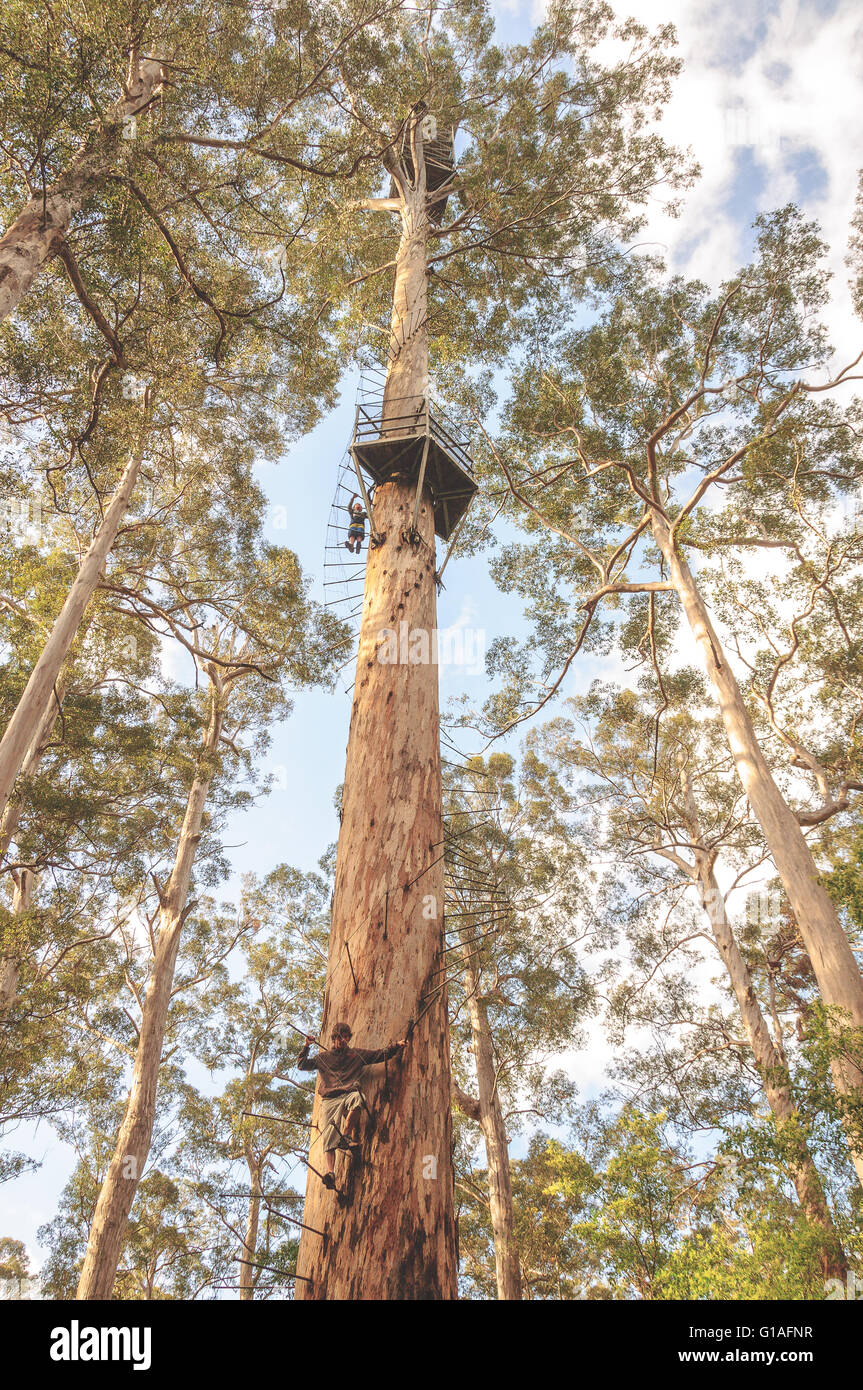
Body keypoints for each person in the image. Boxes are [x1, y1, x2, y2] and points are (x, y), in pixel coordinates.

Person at [298, 1022, 407, 1189]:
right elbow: (302, 1065)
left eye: (347, 1037)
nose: (343, 1040)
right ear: (334, 1037)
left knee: (359, 1098)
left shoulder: (356, 1055)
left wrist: (396, 1046)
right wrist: (306, 1046)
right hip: (329, 1099)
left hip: (348, 1094)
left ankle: (346, 1136)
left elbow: (379, 1054)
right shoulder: (323, 1058)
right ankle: (331, 1172)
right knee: (328, 1133)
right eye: (340, 1037)